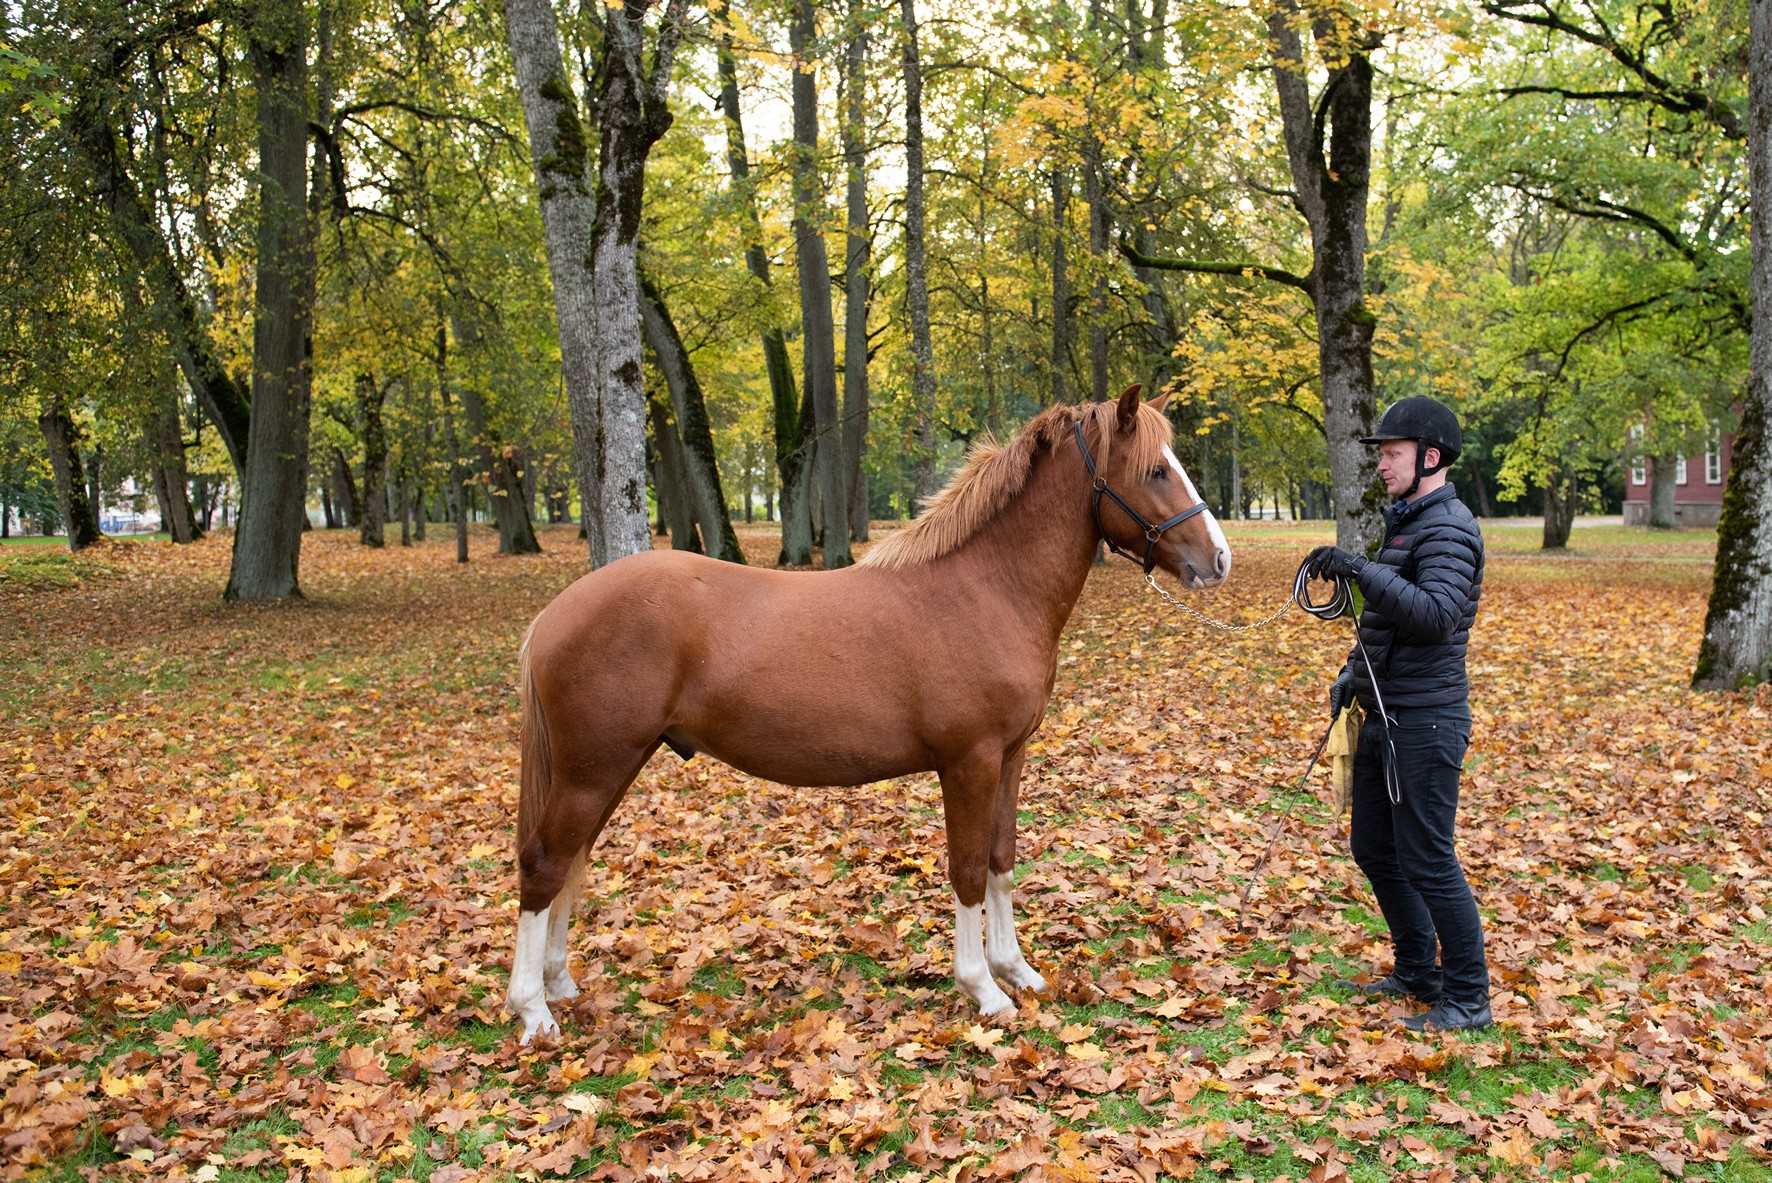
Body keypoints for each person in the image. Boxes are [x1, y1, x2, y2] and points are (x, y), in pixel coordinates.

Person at [1304, 396, 1491, 1033]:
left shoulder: (1449, 527)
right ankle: (1417, 970)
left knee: (1429, 857)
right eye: (1381, 454)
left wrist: (1359, 569)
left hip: (1427, 719)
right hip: (1384, 711)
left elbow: (1436, 616)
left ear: (1429, 457)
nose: (1382, 464)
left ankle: (1468, 997)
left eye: (1393, 453)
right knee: (1374, 848)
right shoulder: (1408, 522)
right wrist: (1349, 677)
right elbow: (1385, 624)